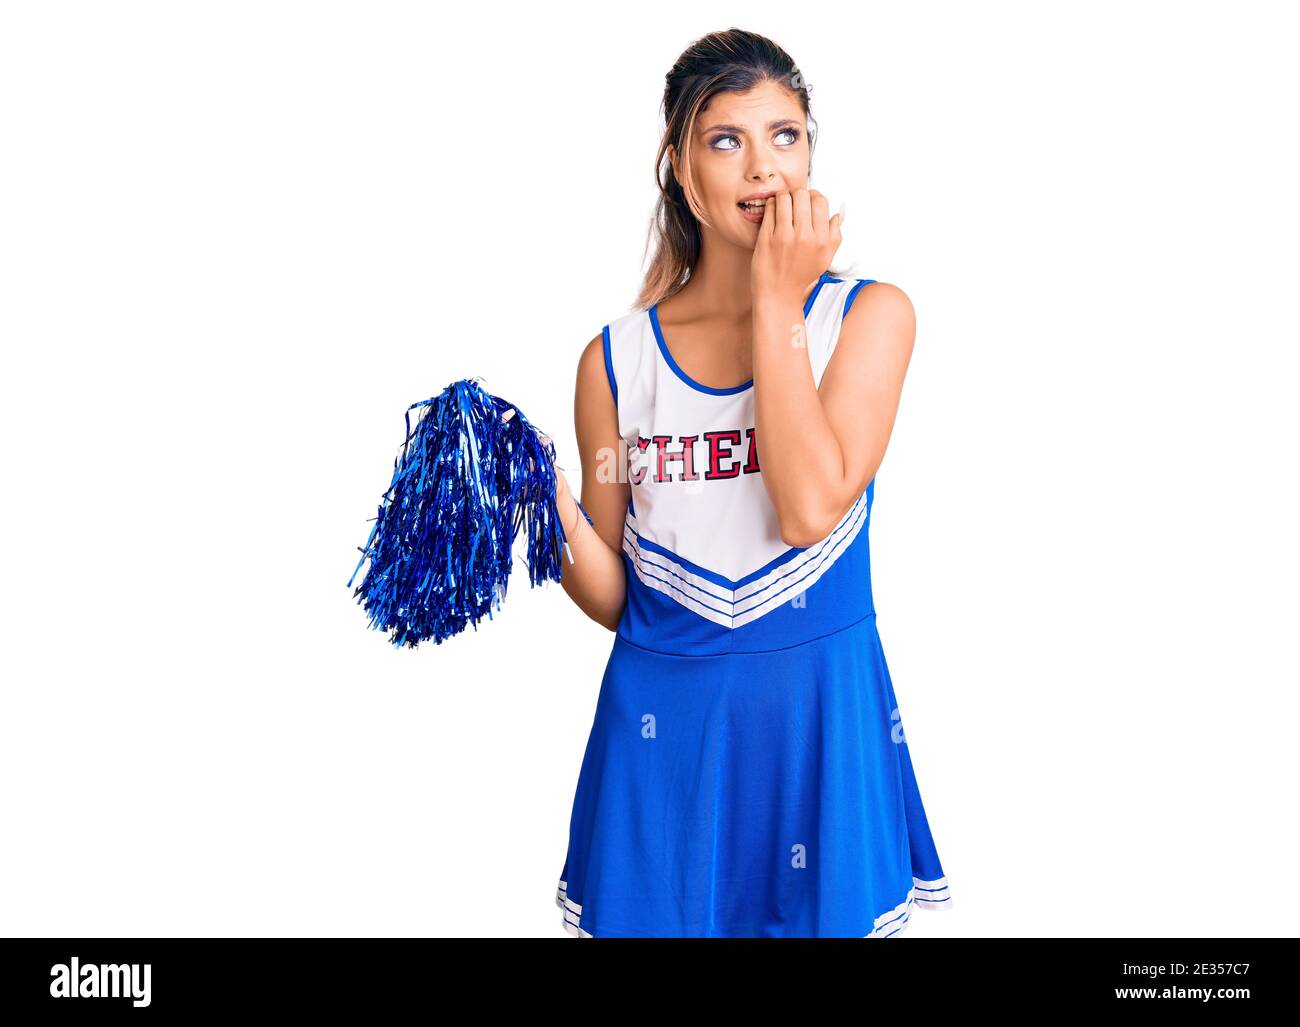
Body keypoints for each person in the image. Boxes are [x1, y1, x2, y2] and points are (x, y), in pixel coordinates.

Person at [546, 28, 952, 937]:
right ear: (683, 172)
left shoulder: (868, 318)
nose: (764, 167)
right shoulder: (614, 362)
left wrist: (776, 301)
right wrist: (538, 501)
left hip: (816, 727)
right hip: (663, 740)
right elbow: (620, 595)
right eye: (727, 140)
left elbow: (809, 508)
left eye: (787, 135)